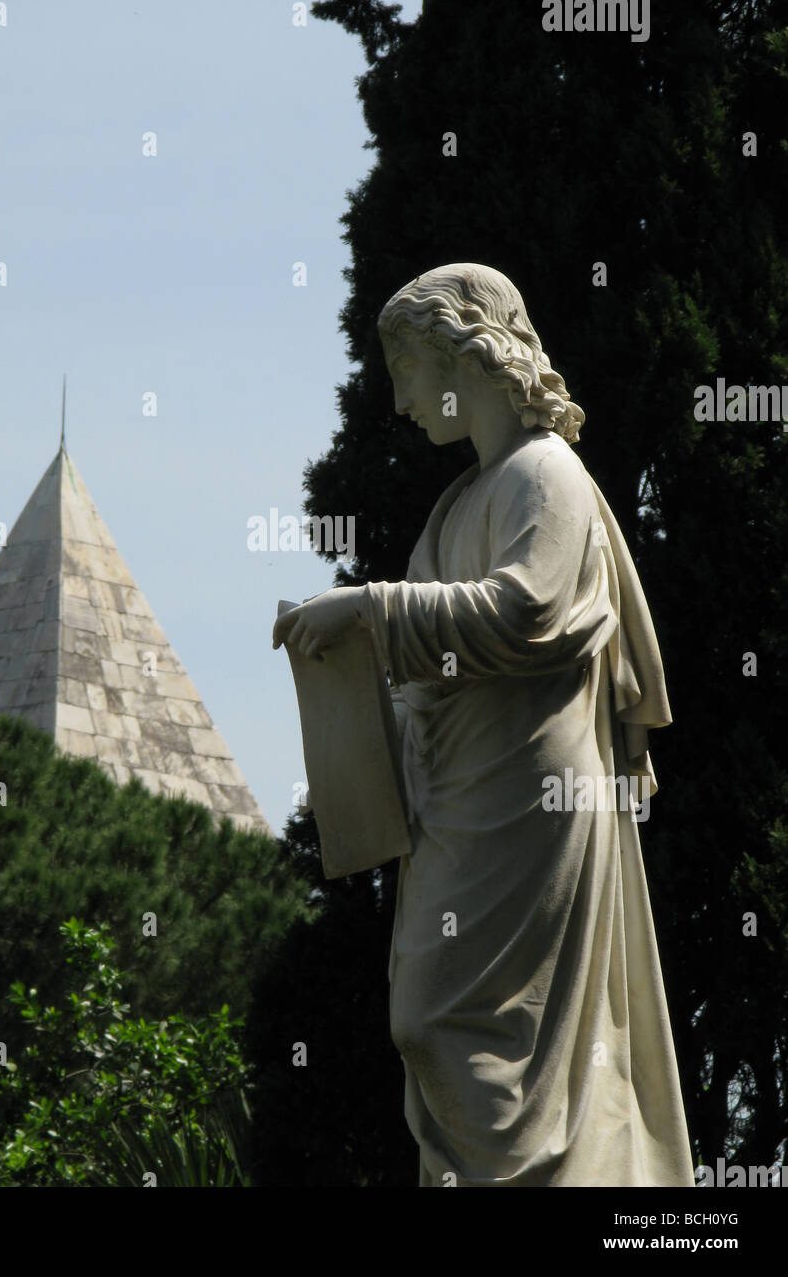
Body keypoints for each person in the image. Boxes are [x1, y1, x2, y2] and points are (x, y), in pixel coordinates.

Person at [273, 263, 694, 1187]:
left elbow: (531, 614)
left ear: (467, 355)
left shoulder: (549, 475)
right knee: (425, 1017)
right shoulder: (458, 505)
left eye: (407, 371)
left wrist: (373, 611)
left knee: (457, 1018)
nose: (399, 401)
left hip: (533, 787)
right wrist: (341, 668)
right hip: (459, 791)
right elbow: (423, 668)